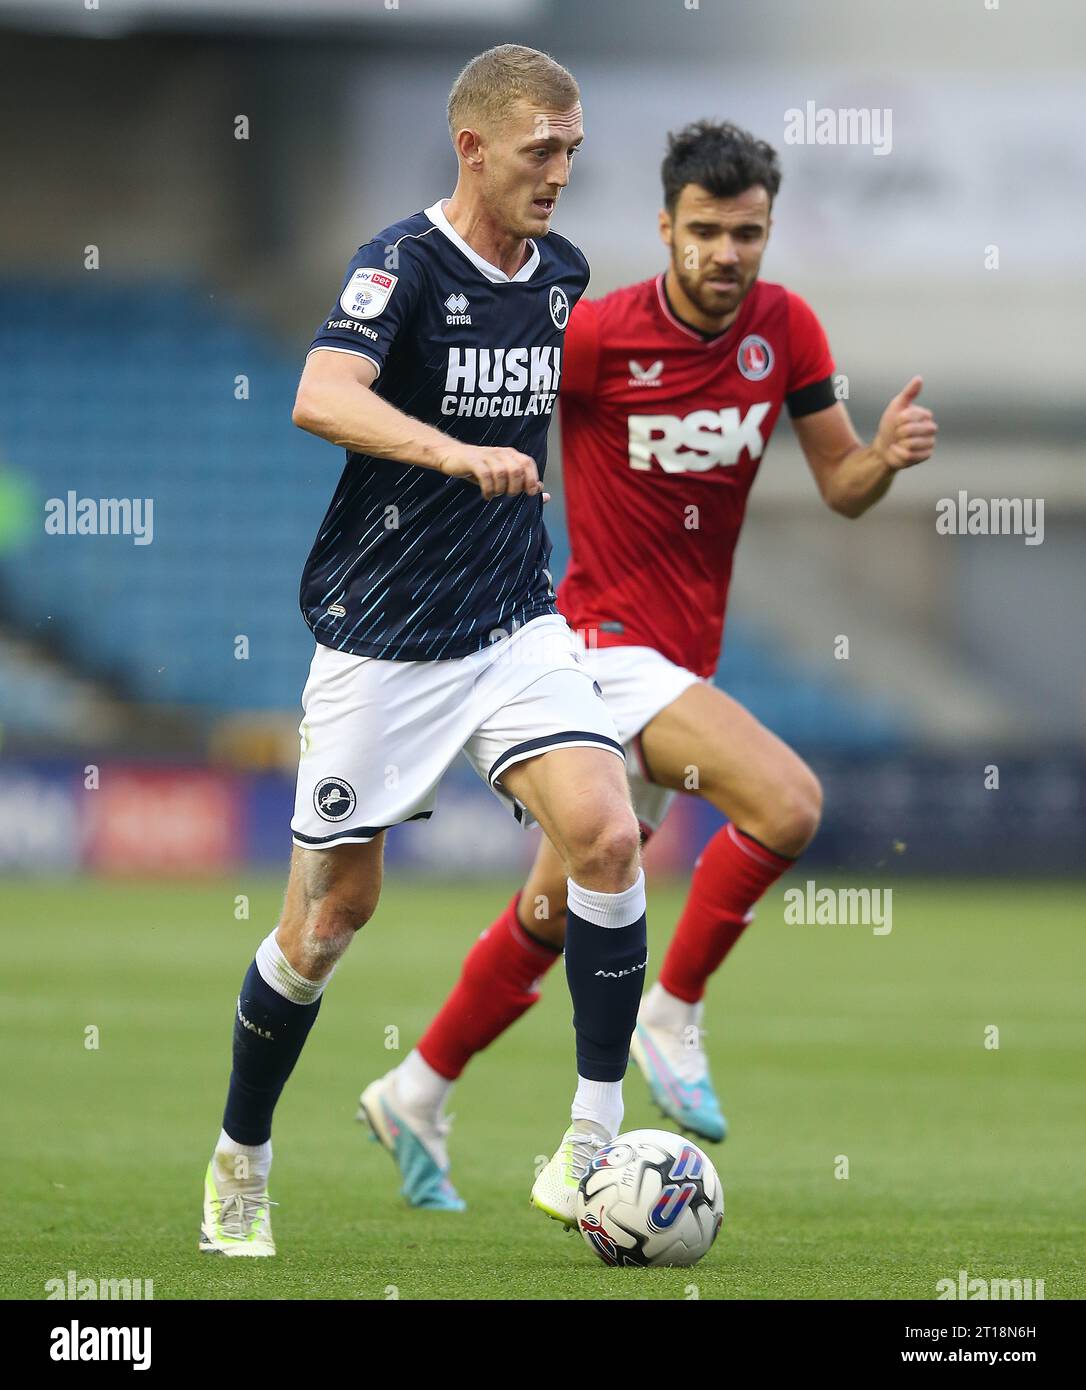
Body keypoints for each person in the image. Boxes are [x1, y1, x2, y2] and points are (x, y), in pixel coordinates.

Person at [361, 119, 937, 1210]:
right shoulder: (594, 335)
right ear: (664, 227)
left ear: (769, 232)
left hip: (678, 655)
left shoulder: (786, 332)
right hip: (597, 641)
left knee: (553, 917)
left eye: (749, 233)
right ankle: (670, 1012)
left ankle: (415, 1089)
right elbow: (476, 404)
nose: (728, 254)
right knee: (789, 803)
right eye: (707, 231)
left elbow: (841, 487)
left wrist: (884, 460)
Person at [200, 44, 653, 1256]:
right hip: (382, 641)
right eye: (539, 149)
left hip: (513, 625)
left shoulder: (562, 272)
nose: (561, 171)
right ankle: (242, 1154)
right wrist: (454, 453)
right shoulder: (396, 266)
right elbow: (321, 395)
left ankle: (592, 1144)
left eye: (572, 148)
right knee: (330, 917)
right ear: (472, 147)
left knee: (607, 832)